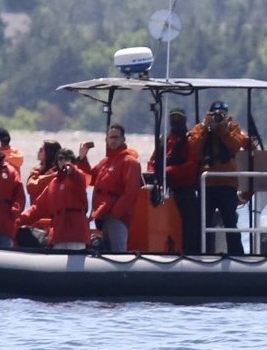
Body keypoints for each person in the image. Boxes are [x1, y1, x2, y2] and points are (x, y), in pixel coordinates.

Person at [189, 99, 253, 254]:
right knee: (203, 221)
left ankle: (237, 254)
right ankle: (202, 252)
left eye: (222, 114)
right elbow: (193, 147)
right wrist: (206, 127)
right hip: (207, 183)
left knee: (230, 221)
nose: (218, 116)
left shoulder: (232, 127)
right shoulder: (201, 127)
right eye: (215, 113)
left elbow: (236, 146)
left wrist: (222, 129)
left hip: (228, 183)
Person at [81, 123, 143, 252]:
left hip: (117, 218)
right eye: (111, 137)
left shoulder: (130, 162)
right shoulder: (105, 162)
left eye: (116, 137)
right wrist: (82, 159)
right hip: (102, 216)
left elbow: (131, 192)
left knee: (118, 251)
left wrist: (115, 213)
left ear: (123, 139)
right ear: (106, 139)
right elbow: (89, 178)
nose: (113, 140)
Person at [149, 108, 200, 253]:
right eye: (173, 117)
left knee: (190, 222)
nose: (176, 120)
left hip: (184, 188)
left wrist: (169, 171)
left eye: (179, 117)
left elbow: (192, 165)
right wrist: (152, 174)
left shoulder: (190, 140)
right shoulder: (163, 140)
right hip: (162, 187)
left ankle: (190, 251)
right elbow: (153, 161)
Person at [18, 148, 92, 249]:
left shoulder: (78, 177)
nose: (63, 161)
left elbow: (81, 178)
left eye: (67, 158)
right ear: (57, 162)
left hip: (76, 233)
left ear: (72, 161)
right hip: (59, 233)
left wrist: (71, 168)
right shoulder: (53, 183)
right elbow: (38, 207)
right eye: (60, 159)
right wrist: (17, 220)